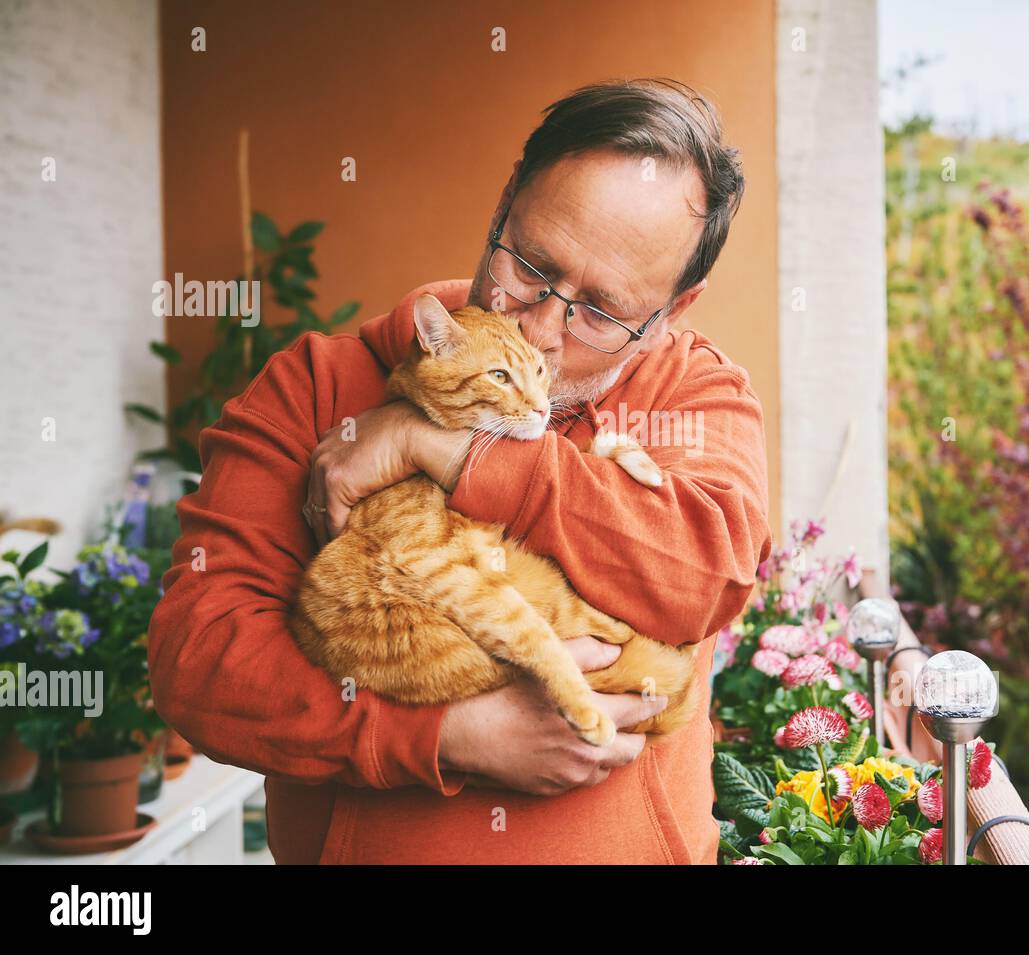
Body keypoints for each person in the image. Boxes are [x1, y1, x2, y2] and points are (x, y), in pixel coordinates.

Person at [148, 78, 773, 863]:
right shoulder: (313, 386)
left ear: (672, 312)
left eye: (601, 311)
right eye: (531, 263)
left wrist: (448, 448)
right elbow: (199, 660)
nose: (543, 329)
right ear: (504, 201)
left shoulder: (695, 394)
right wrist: (447, 736)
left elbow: (706, 573)